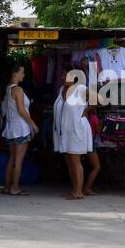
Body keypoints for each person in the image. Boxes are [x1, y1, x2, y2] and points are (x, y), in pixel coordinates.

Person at [53, 68, 92, 200]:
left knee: (75, 161)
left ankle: (79, 192)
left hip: (77, 129)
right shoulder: (61, 90)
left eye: (66, 74)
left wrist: (86, 111)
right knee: (70, 161)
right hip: (65, 131)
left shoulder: (80, 88)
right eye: (63, 74)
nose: (63, 76)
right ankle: (74, 189)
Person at [1, 63, 37, 195]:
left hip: (11, 128)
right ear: (14, 74)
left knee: (11, 159)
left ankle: (7, 186)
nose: (23, 75)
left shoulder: (8, 89)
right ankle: (15, 187)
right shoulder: (18, 90)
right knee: (18, 160)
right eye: (22, 72)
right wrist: (33, 124)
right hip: (20, 128)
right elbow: (22, 110)